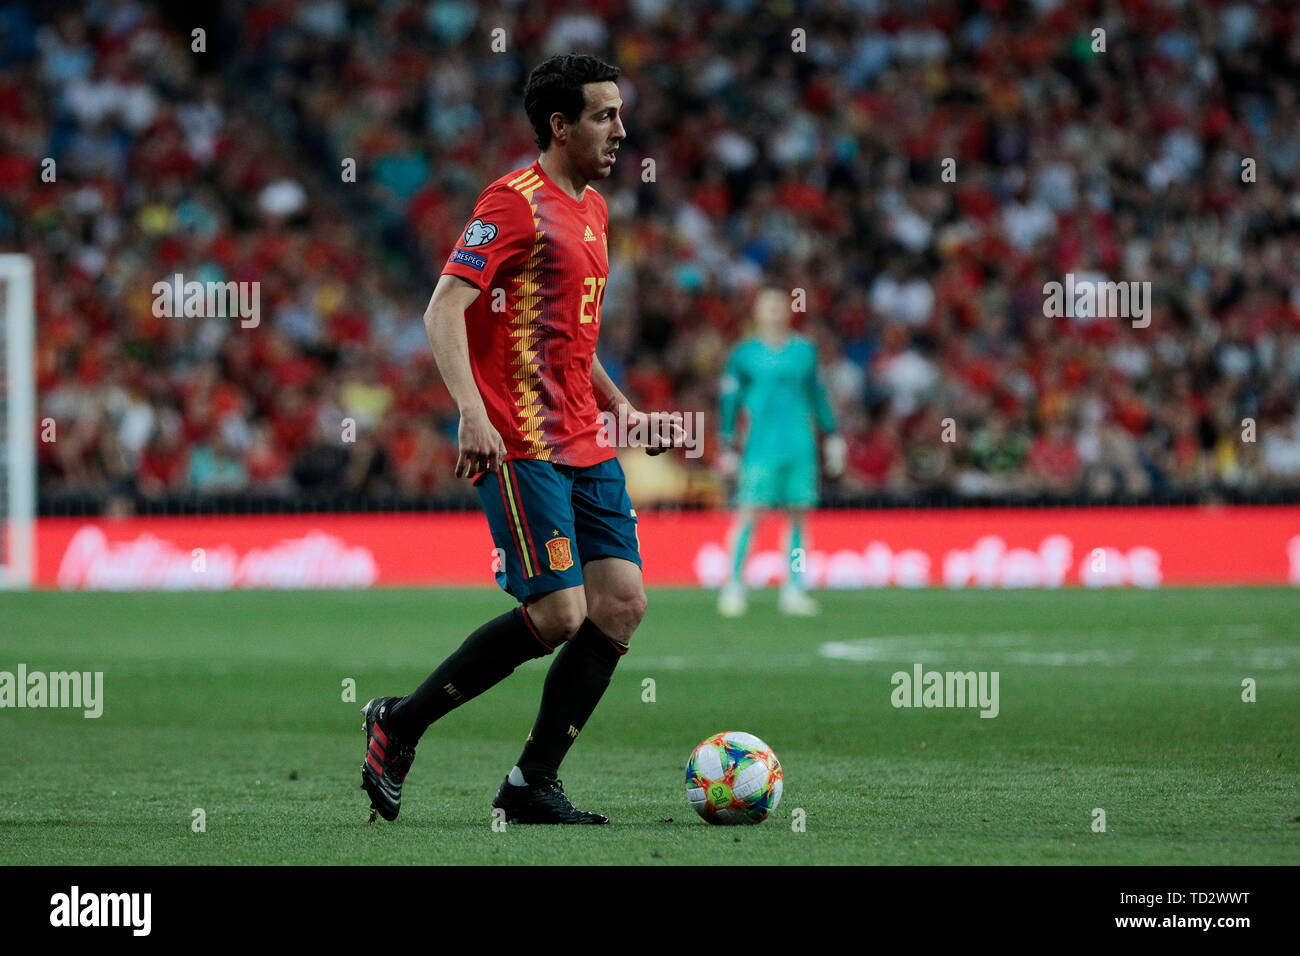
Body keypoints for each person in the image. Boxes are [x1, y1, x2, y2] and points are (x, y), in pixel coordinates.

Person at [359, 54, 681, 825]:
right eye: (605, 115)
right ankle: (395, 727)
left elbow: (572, 333)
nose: (621, 129)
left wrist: (622, 409)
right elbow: (443, 308)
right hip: (521, 441)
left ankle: (530, 784)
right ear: (560, 125)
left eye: (620, 112)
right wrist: (471, 412)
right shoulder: (511, 204)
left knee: (622, 606)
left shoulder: (595, 209)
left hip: (586, 440)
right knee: (559, 616)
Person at [717, 288, 844, 616]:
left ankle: (794, 587)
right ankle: (733, 584)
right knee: (749, 515)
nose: (774, 312)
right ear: (757, 312)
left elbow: (818, 395)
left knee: (799, 518)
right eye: (767, 306)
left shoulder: (804, 352)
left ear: (788, 311)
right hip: (760, 448)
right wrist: (727, 443)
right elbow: (729, 401)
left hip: (799, 446)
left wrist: (831, 435)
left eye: (779, 306)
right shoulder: (744, 354)